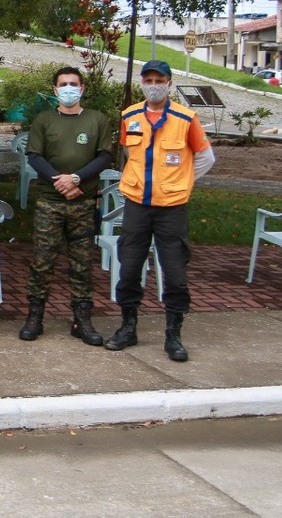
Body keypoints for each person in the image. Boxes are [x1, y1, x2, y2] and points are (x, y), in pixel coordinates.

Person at [105, 60, 213, 362]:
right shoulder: (130, 116)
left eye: (159, 80)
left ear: (169, 83)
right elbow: (130, 153)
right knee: (129, 268)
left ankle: (173, 335)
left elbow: (206, 158)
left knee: (175, 273)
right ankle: (128, 327)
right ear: (142, 83)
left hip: (171, 209)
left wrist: (181, 182)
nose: (154, 85)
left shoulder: (186, 118)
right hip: (137, 206)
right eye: (149, 80)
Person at [18, 67, 113, 345]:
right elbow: (35, 156)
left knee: (82, 264)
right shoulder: (44, 120)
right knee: (42, 262)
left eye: (73, 84)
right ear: (55, 90)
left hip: (83, 201)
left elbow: (104, 156)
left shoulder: (97, 120)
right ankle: (35, 316)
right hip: (50, 202)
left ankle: (82, 319)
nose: (68, 88)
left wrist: (77, 179)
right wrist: (60, 182)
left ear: (82, 89)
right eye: (63, 84)